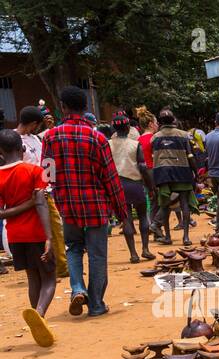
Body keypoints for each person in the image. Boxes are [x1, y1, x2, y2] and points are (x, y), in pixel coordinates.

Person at [41, 85, 127, 317]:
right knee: (98, 255)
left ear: (63, 107)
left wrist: (58, 196)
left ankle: (77, 288)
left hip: (67, 206)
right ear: (86, 107)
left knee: (73, 248)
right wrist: (122, 213)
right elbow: (111, 179)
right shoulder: (98, 138)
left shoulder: (49, 137)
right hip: (96, 207)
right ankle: (97, 305)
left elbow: (47, 176)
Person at [0, 128, 57, 345]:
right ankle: (40, 314)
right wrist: (49, 237)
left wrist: (23, 205)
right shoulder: (35, 170)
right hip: (36, 232)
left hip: (14, 235)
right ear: (22, 148)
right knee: (49, 279)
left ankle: (38, 321)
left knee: (33, 278)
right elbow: (41, 203)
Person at [16, 105, 68, 280]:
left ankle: (61, 267)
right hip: (29, 195)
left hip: (45, 191)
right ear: (32, 123)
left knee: (56, 229)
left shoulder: (36, 139)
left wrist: (51, 182)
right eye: (37, 125)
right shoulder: (14, 140)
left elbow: (45, 161)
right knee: (39, 234)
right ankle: (46, 270)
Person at [109, 111, 153, 262]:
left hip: (117, 185)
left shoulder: (108, 144)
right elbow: (143, 168)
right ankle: (145, 249)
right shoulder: (135, 144)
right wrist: (151, 186)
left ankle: (133, 254)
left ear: (114, 128)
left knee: (126, 219)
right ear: (128, 127)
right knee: (142, 216)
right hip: (135, 183)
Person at [149, 109, 196, 244]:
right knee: (184, 204)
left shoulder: (155, 138)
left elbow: (154, 157)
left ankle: (168, 237)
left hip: (163, 174)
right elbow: (190, 156)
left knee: (165, 205)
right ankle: (186, 237)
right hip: (182, 172)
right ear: (173, 120)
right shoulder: (184, 135)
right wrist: (196, 172)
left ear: (160, 122)